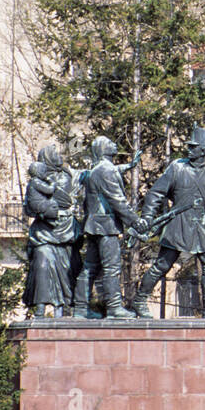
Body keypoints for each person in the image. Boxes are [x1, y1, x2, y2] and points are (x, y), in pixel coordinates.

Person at [132, 126, 205, 320]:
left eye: (193, 147)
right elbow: (156, 194)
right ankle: (140, 300)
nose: (189, 149)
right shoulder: (177, 167)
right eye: (189, 146)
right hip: (178, 225)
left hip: (202, 228)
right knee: (162, 265)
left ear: (203, 150)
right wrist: (148, 218)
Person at [71, 136, 143, 320]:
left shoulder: (98, 169)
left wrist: (129, 166)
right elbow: (117, 200)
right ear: (104, 149)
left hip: (94, 225)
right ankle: (114, 307)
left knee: (90, 268)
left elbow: (111, 172)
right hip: (106, 226)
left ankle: (80, 307)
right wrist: (135, 221)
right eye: (111, 143)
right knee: (112, 267)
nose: (115, 144)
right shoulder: (106, 170)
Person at [22, 148, 77, 318]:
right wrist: (42, 210)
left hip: (66, 231)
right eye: (55, 155)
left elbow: (67, 197)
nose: (60, 157)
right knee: (42, 266)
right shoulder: (38, 181)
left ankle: (64, 308)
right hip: (44, 233)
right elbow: (28, 207)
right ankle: (40, 307)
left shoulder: (68, 175)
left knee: (67, 269)